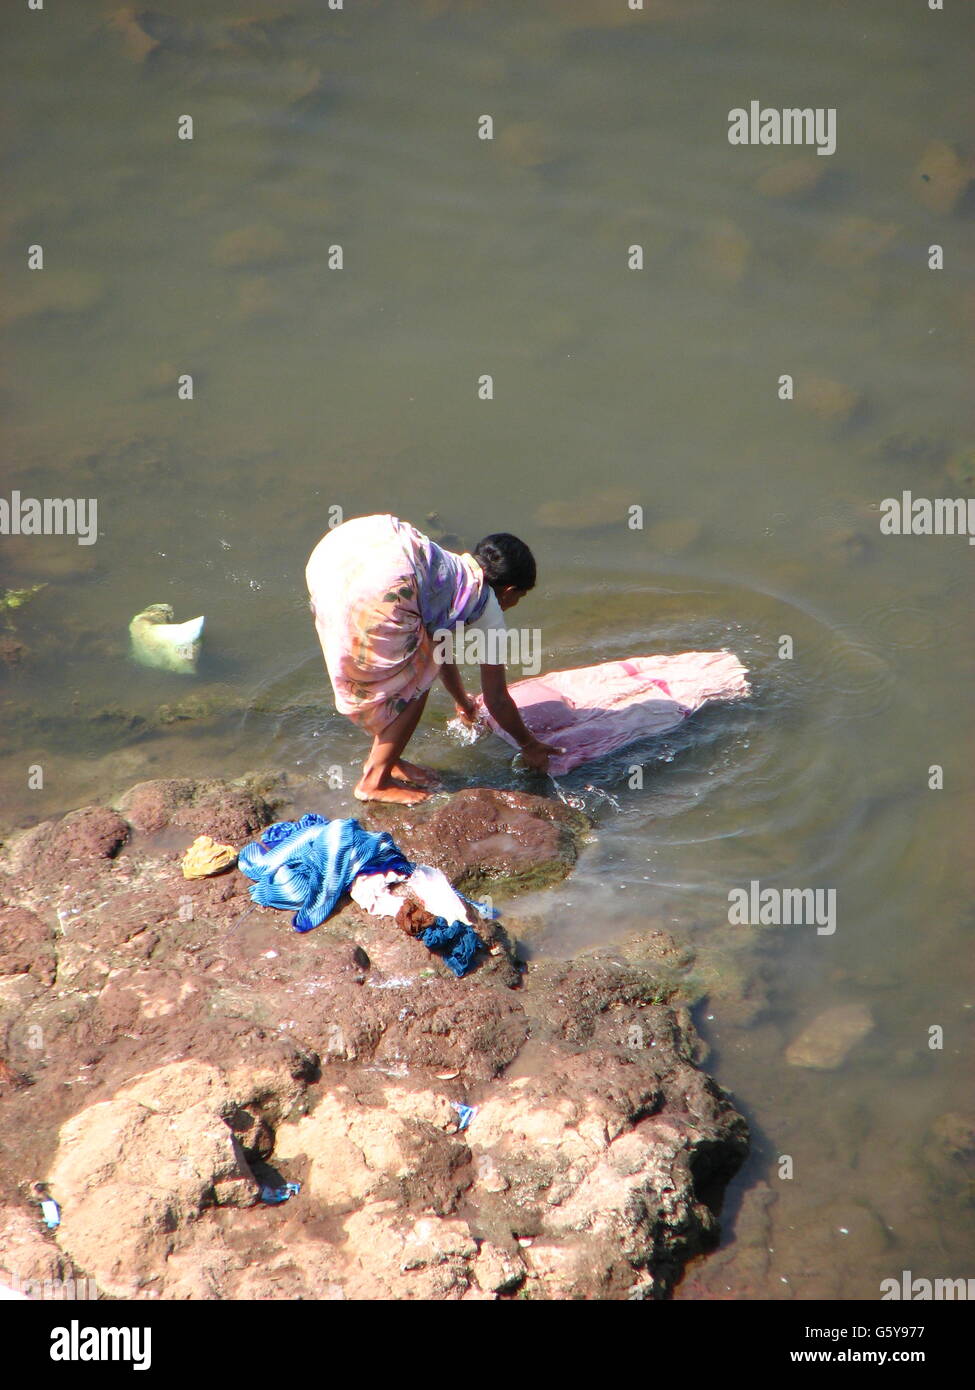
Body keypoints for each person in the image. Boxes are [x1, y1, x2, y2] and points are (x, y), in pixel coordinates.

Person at [305, 513, 560, 803]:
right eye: (520, 597)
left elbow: (438, 649)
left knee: (407, 669)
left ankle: (388, 759)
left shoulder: (449, 573)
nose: (515, 604)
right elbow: (497, 699)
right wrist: (530, 745)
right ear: (510, 590)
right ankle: (374, 781)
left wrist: (463, 701)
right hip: (385, 585)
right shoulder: (488, 607)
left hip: (344, 551)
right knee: (411, 688)